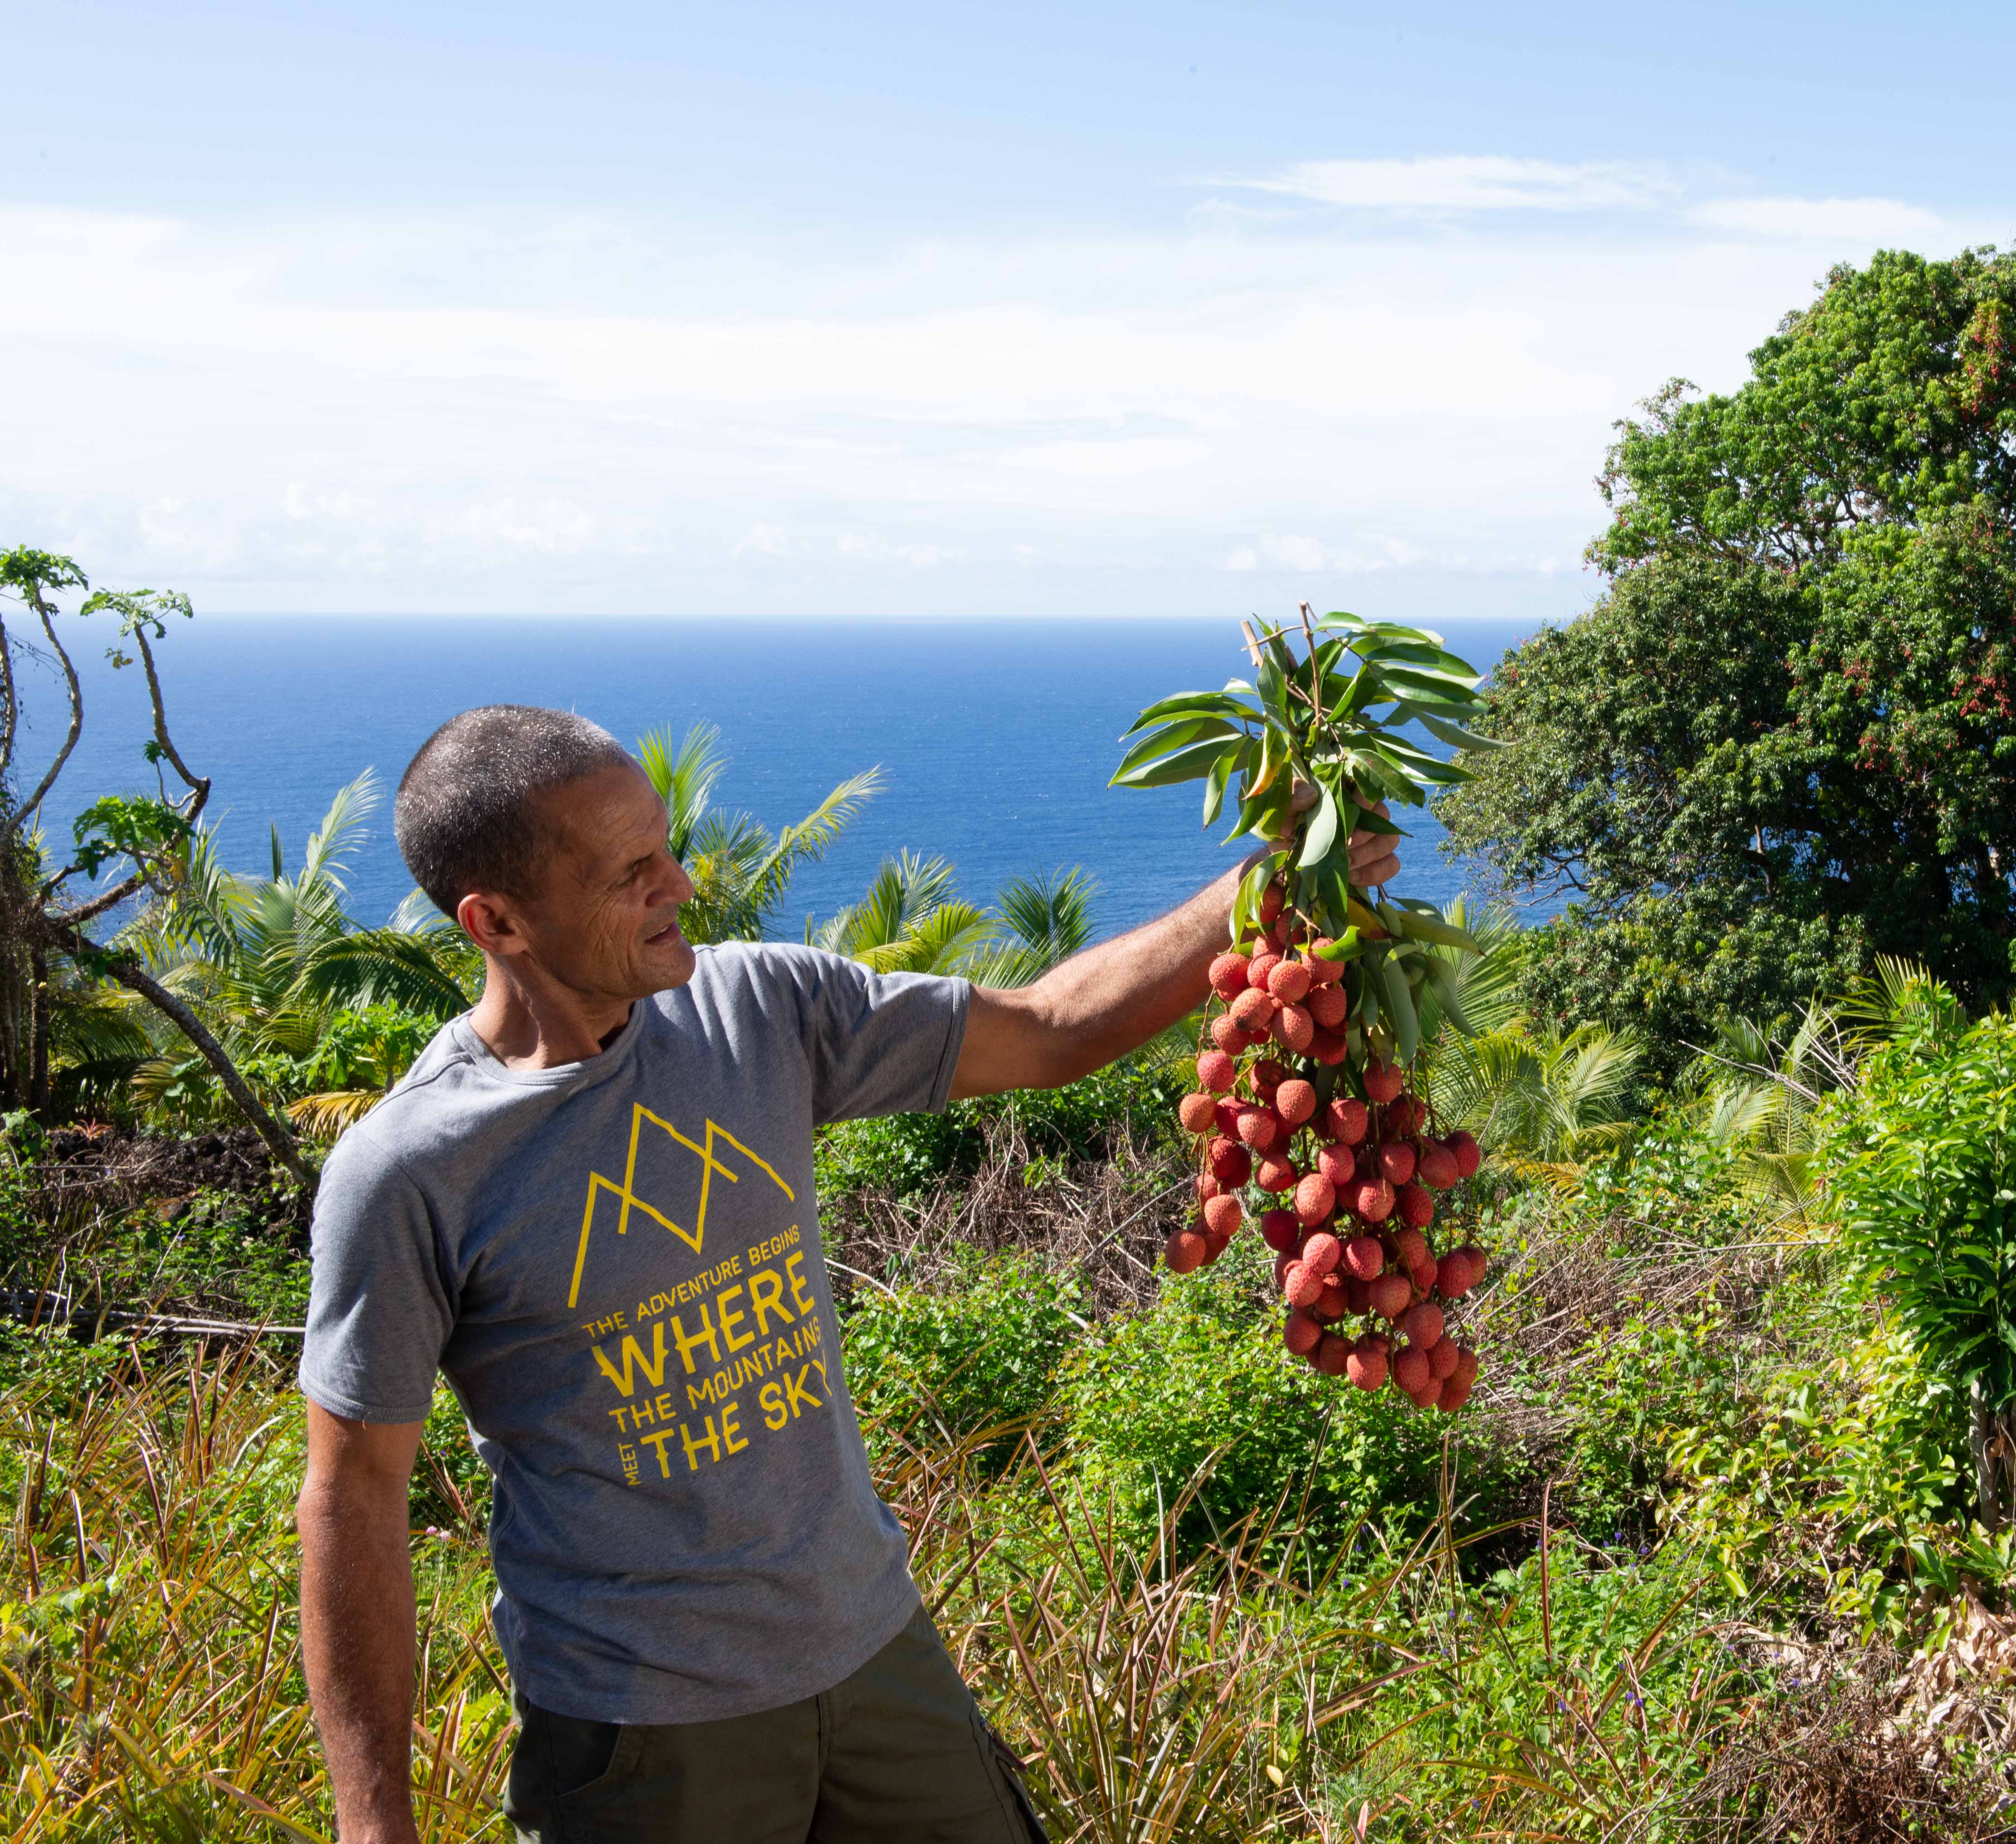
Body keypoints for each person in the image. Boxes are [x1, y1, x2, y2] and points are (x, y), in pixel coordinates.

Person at [295, 704, 1398, 1843]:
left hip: (874, 1656)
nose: (681, 884)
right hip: (644, 1734)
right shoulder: (412, 1170)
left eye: (668, 844)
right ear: (498, 920)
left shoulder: (758, 1006)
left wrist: (1262, 889)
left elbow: (1049, 1026)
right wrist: (373, 1827)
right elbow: (351, 1496)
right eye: (631, 873)